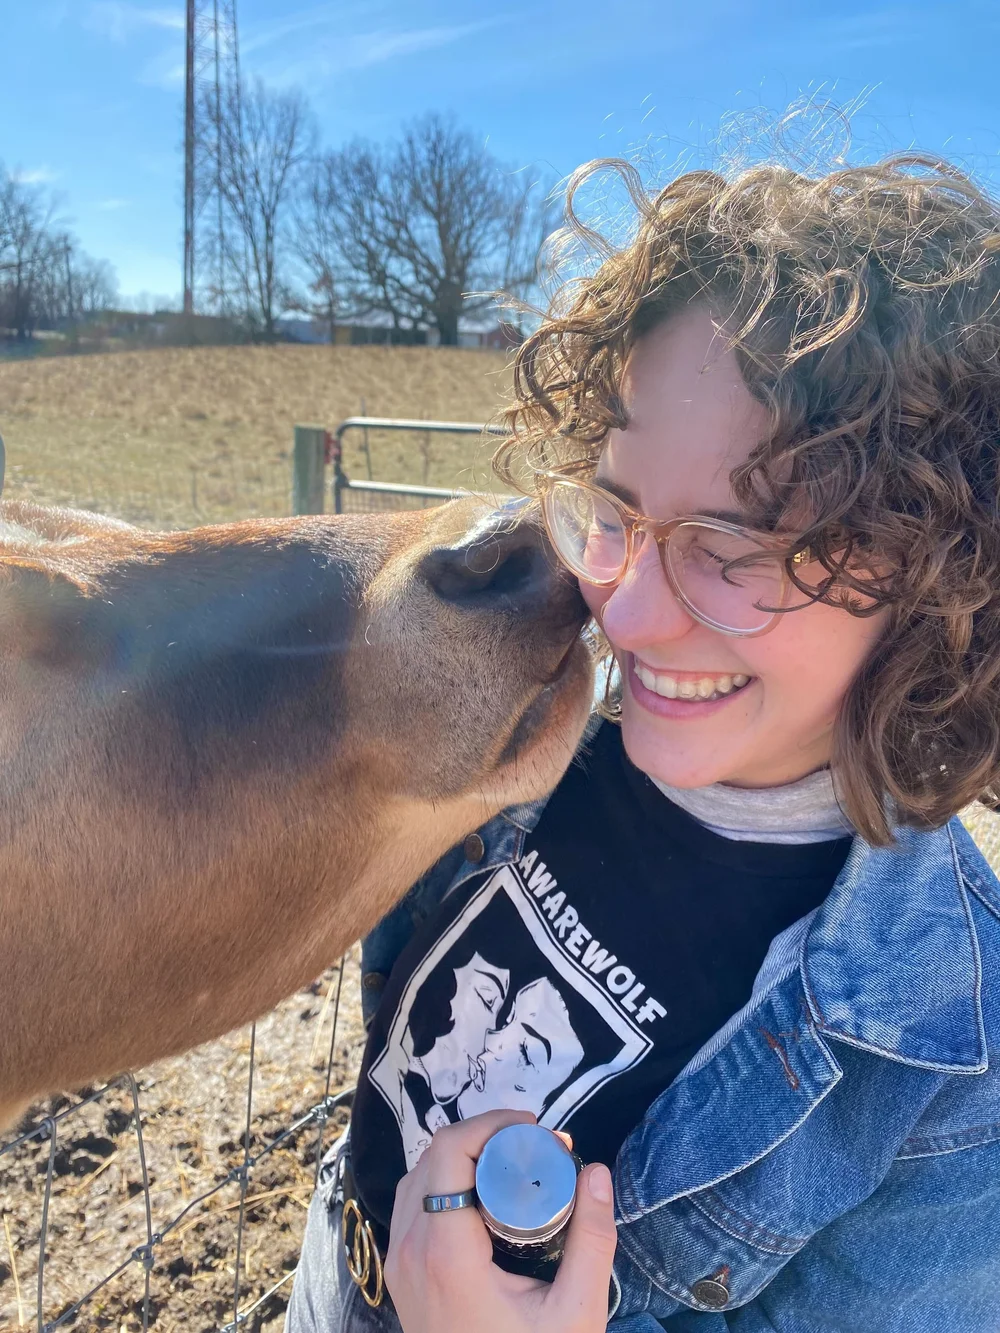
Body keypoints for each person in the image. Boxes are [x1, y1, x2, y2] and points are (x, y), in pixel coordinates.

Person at [285, 151, 1000, 1332]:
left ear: (939, 575)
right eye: (618, 512)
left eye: (741, 543)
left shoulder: (951, 1075)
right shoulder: (530, 719)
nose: (628, 610)